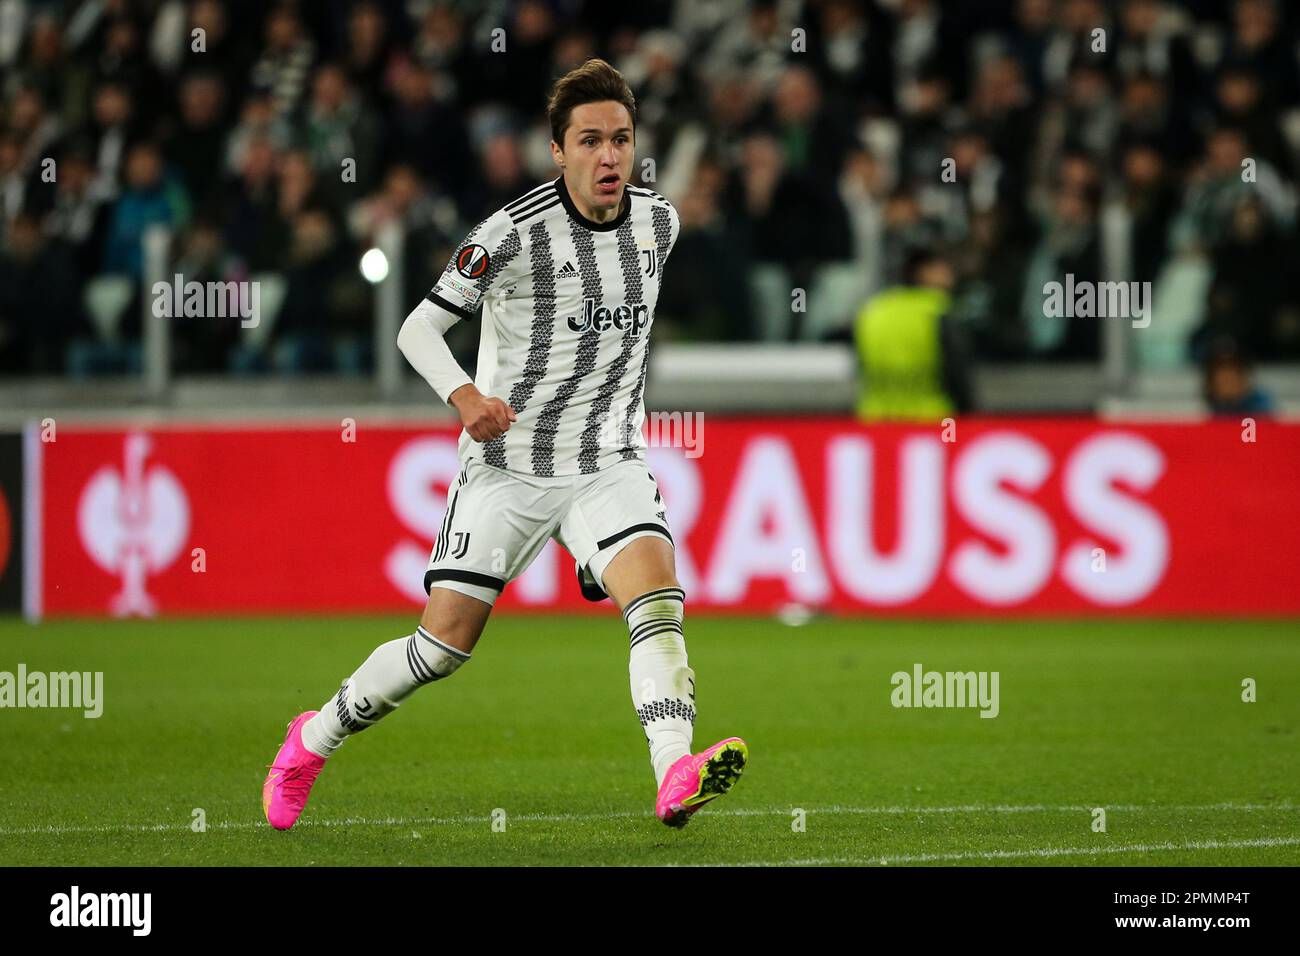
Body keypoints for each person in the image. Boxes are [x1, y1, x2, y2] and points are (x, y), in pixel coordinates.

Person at [261, 59, 747, 831]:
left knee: (657, 606)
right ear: (558, 151)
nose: (609, 157)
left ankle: (673, 770)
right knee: (442, 648)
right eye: (590, 141)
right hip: (509, 467)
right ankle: (313, 738)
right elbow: (417, 327)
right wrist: (465, 397)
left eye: (621, 139)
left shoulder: (661, 223)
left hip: (608, 461)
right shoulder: (511, 234)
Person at [853, 249, 972, 421]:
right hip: (930, 422)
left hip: (875, 421)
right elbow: (956, 374)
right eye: (943, 268)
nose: (951, 275)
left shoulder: (873, 310)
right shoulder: (938, 310)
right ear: (923, 272)